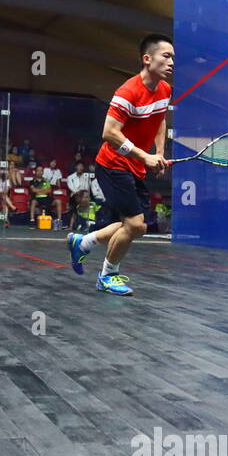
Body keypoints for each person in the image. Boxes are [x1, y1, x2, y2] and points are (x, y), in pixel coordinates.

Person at [67, 33, 172, 295]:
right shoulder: (127, 92)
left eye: (173, 58)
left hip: (134, 166)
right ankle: (107, 276)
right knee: (136, 225)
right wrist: (143, 156)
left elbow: (159, 119)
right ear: (147, 59)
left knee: (132, 226)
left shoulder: (165, 90)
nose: (171, 62)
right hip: (112, 164)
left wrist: (158, 153)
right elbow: (110, 134)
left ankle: (84, 242)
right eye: (166, 56)